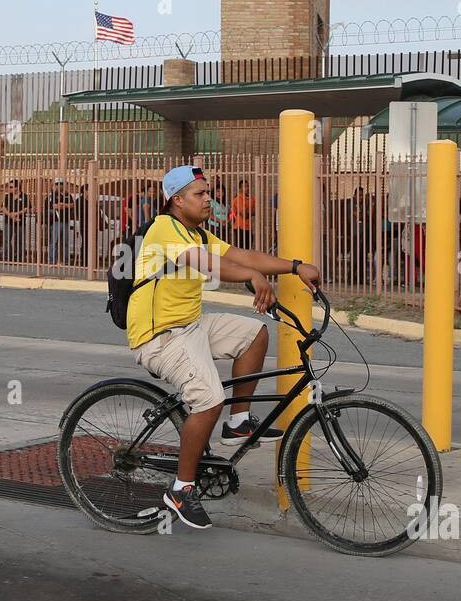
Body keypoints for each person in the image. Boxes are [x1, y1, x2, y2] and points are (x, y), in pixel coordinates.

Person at [129, 165, 322, 530]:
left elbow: (242, 256)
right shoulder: (164, 229)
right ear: (176, 199)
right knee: (209, 398)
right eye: (199, 194)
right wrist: (251, 277)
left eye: (208, 192)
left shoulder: (197, 233)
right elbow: (211, 265)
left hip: (191, 325)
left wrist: (295, 267)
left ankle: (237, 423)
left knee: (254, 334)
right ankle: (181, 490)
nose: (208, 199)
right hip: (160, 335)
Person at [44, 179, 75, 265]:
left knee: (65, 242)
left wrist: (63, 205)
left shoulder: (68, 195)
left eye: (61, 184)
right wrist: (60, 206)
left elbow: (73, 205)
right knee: (54, 241)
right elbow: (50, 206)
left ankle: (66, 261)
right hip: (55, 222)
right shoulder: (52, 196)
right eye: (57, 184)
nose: (59, 185)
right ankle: (52, 260)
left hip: (65, 221)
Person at [1, 180, 31, 261]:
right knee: (7, 240)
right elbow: (3, 207)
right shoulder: (7, 196)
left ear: (17, 187)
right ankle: (8, 258)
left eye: (11, 187)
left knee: (19, 241)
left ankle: (19, 258)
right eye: (9, 187)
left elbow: (27, 208)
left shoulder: (24, 196)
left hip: (20, 222)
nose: (9, 189)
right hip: (8, 221)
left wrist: (17, 213)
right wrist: (10, 214)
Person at [229, 179, 255, 251]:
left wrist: (248, 211)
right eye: (244, 187)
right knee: (240, 249)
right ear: (240, 188)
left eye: (247, 186)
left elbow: (256, 211)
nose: (246, 188)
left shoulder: (251, 198)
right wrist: (250, 212)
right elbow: (244, 215)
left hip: (248, 227)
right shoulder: (238, 199)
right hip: (239, 228)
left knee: (248, 248)